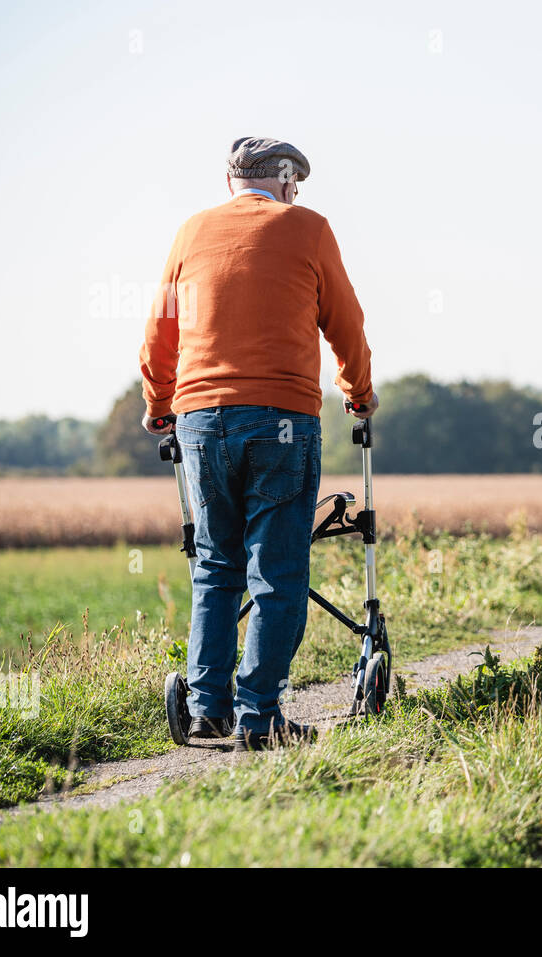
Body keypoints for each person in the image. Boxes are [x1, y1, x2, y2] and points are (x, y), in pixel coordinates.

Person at [138, 136, 376, 750]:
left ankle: (206, 709)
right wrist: (358, 392)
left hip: (200, 419)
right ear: (287, 181)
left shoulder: (191, 233)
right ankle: (258, 716)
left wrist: (158, 404)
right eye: (296, 182)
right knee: (277, 567)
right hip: (282, 417)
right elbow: (345, 322)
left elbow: (160, 331)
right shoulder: (308, 228)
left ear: (230, 183)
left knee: (216, 566)